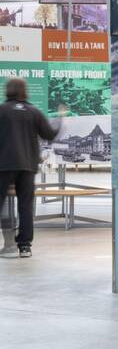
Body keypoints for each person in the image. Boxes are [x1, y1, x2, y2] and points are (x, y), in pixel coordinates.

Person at [0, 78, 61, 259]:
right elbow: (49, 134)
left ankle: (8, 243)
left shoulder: (1, 111)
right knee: (25, 206)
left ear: (8, 91)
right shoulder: (33, 111)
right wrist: (60, 119)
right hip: (27, 166)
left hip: (3, 165)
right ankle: (25, 246)